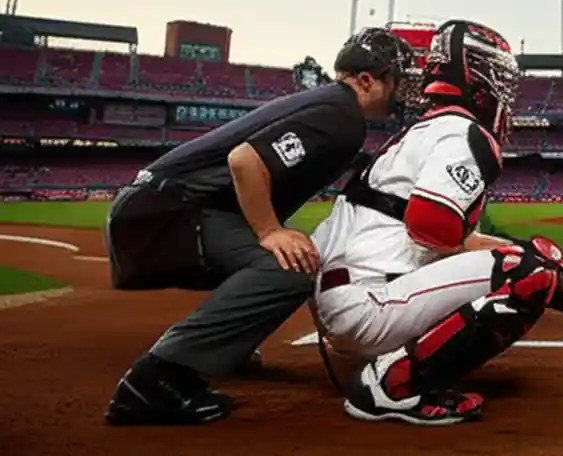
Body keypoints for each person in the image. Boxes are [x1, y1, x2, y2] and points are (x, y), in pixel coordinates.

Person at [103, 27, 417, 425]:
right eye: (397, 78)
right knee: (289, 266)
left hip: (159, 209)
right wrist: (269, 231)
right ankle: (155, 382)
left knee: (275, 255)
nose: (403, 90)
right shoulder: (341, 114)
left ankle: (222, 349)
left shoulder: (330, 106)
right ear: (367, 79)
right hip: (163, 215)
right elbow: (245, 160)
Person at [308, 19, 563, 426]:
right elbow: (431, 228)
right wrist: (534, 259)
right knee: (530, 273)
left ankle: (390, 361)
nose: (504, 90)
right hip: (369, 304)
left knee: (526, 259)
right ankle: (393, 387)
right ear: (473, 76)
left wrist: (514, 248)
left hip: (347, 298)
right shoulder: (464, 132)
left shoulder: (426, 130)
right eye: (497, 76)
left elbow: (431, 231)